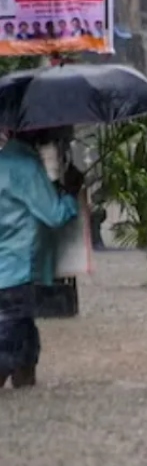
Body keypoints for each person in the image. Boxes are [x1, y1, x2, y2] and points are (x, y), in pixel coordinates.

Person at [0, 127, 82, 388]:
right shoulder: (25, 167)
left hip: (7, 269)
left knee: (24, 348)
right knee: (15, 350)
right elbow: (55, 215)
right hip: (17, 272)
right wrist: (70, 192)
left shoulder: (5, 163)